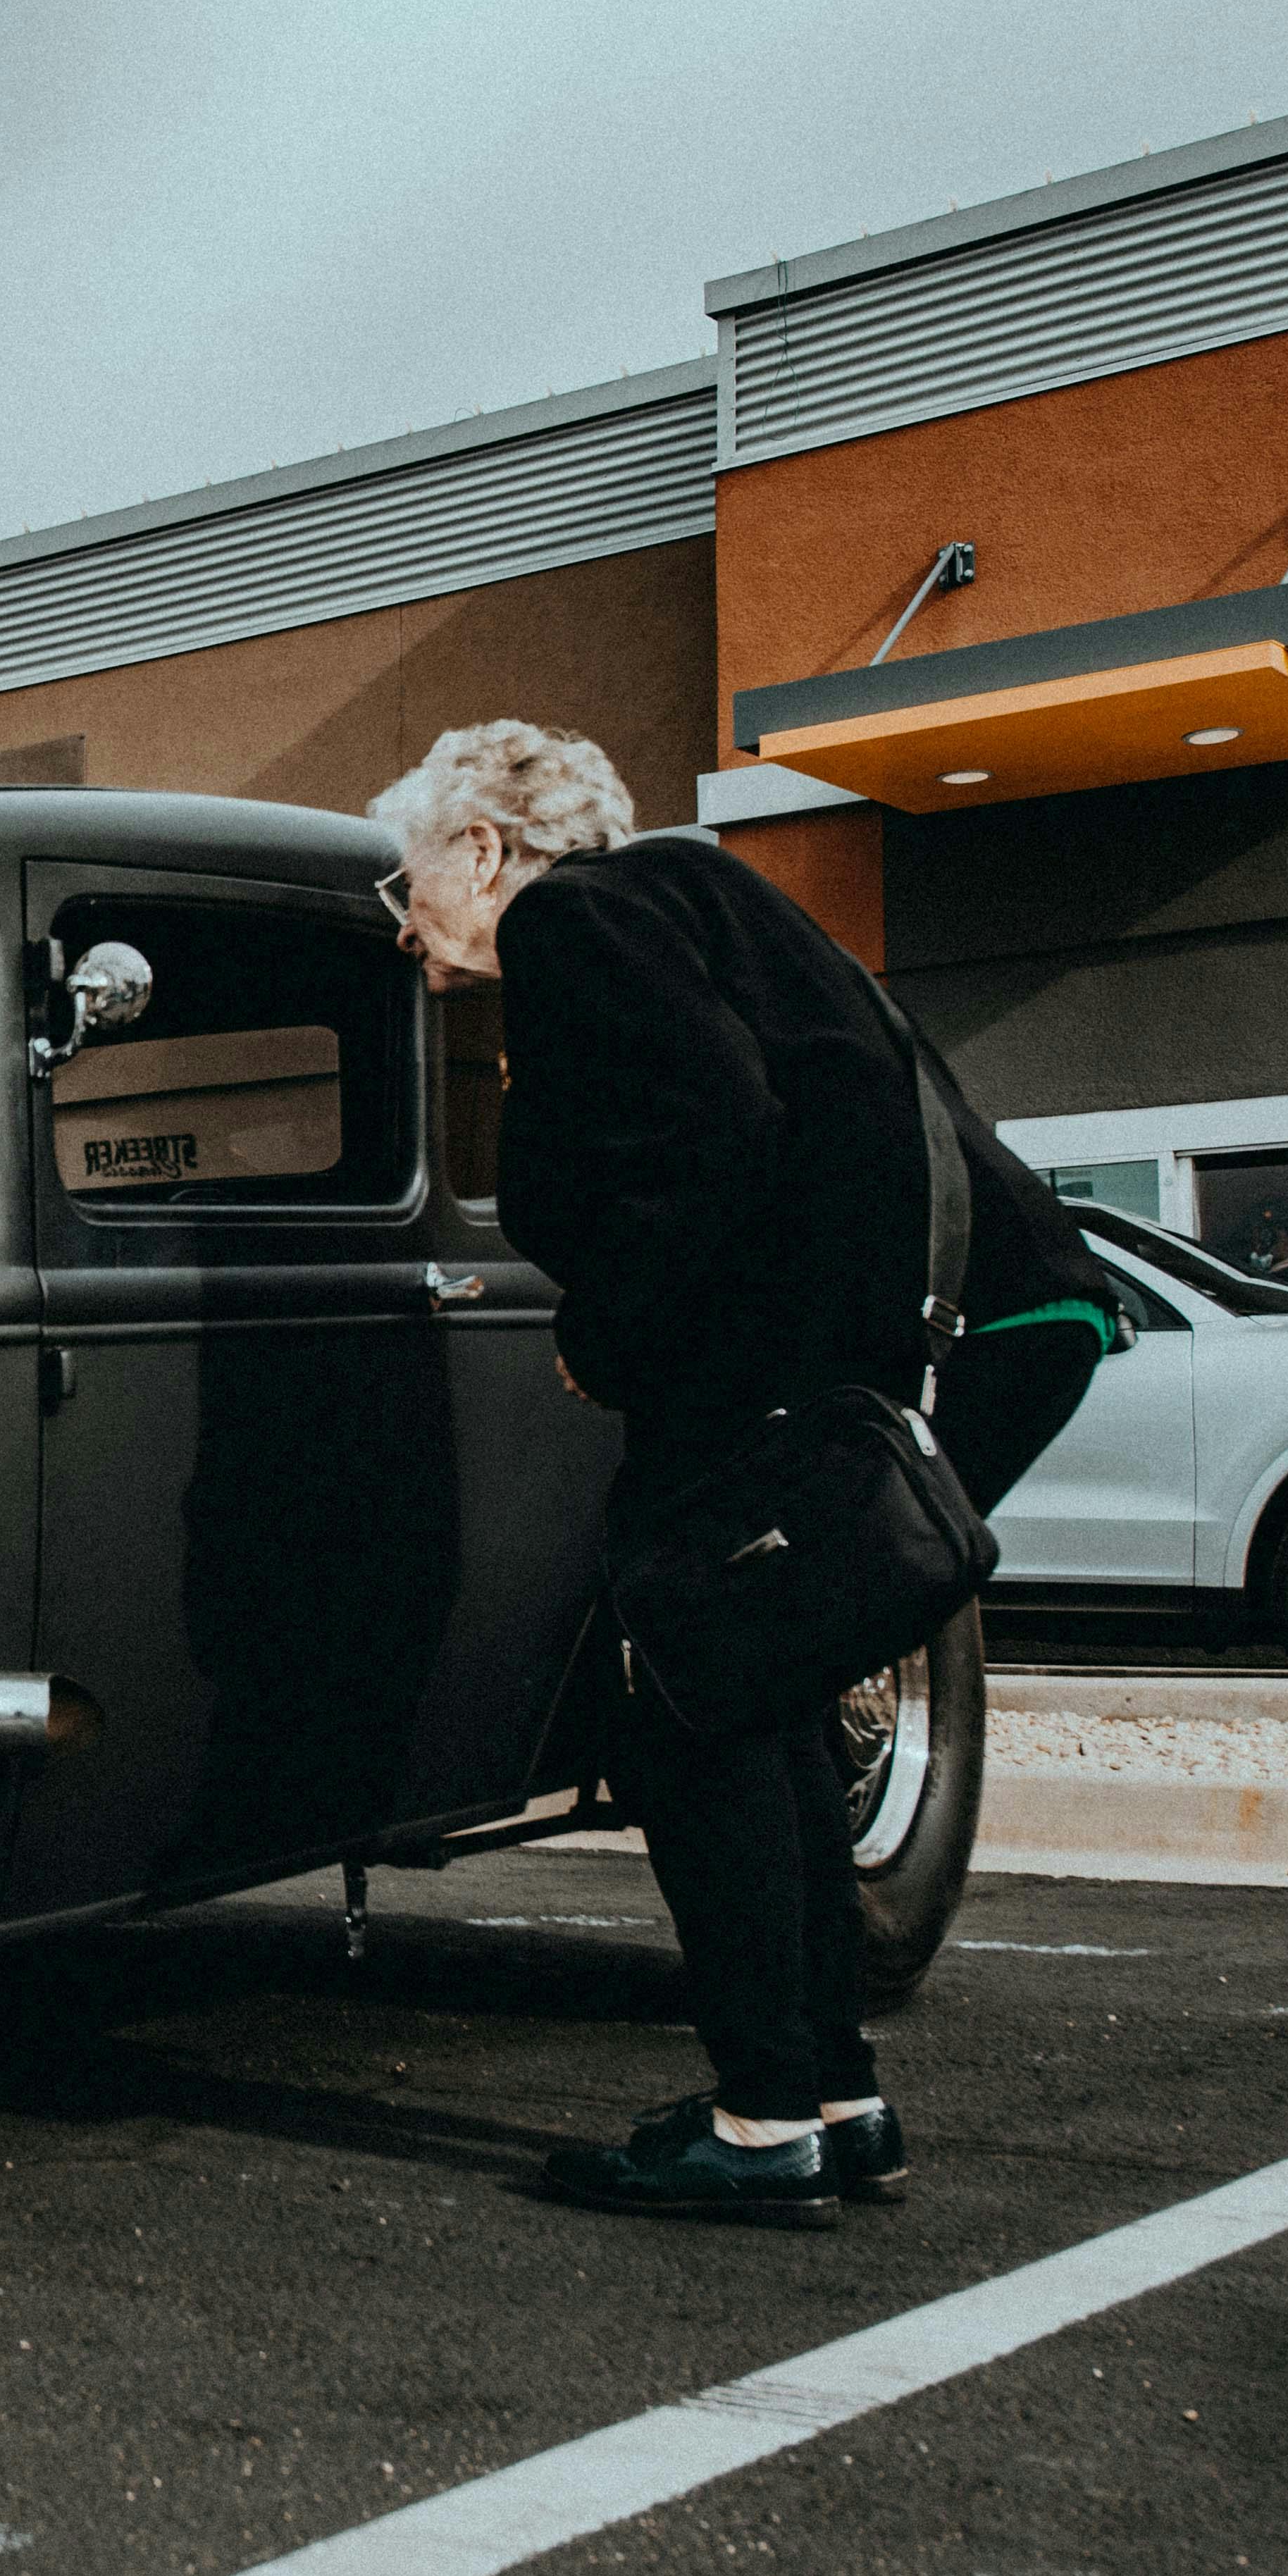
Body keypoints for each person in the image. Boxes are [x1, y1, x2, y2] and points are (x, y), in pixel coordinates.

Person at [373, 721, 1116, 2227]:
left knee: (690, 1695)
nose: (403, 921)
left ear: (477, 846)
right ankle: (828, 2096)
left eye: (407, 878)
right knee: (761, 1694)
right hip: (977, 1323)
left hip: (811, 1364)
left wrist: (608, 1331)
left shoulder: (577, 915)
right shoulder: (696, 898)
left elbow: (709, 1133)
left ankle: (764, 2115)